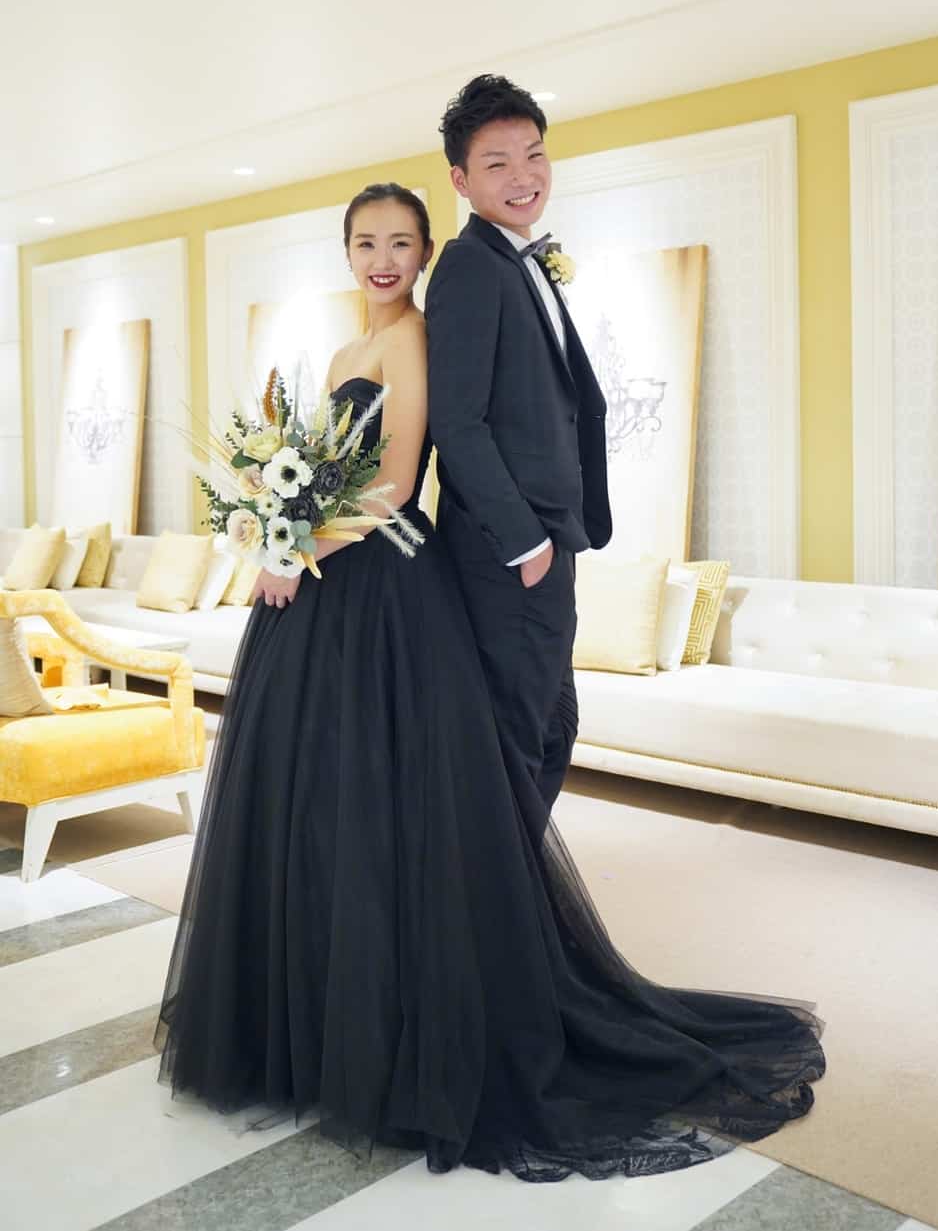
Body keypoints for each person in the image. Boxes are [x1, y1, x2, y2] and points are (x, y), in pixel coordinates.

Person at [158, 182, 824, 1181]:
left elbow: (395, 486)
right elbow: (322, 471)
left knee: (385, 810)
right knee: (316, 809)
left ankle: (396, 1037)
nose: (383, 258)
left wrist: (290, 547)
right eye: (366, 242)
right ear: (346, 253)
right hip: (324, 592)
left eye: (400, 242)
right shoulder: (340, 355)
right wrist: (277, 527)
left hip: (386, 582)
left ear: (426, 252)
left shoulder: (414, 340)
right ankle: (310, 1026)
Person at [426, 75, 610, 826]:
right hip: (510, 553)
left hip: (549, 539)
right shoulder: (470, 265)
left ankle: (510, 881)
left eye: (534, 154)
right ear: (461, 180)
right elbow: (457, 422)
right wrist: (527, 544)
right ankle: (492, 890)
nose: (523, 175)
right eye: (497, 162)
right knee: (519, 738)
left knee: (549, 728)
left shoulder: (519, 261)